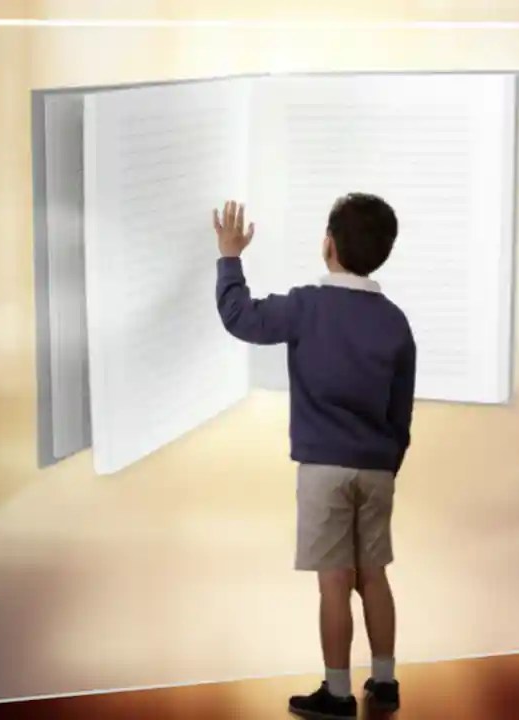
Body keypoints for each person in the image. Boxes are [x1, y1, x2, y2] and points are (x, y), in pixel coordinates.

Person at [212, 194, 416, 719]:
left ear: (328, 244)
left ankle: (338, 692)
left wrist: (230, 257)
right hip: (378, 468)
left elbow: (240, 317)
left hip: (324, 469)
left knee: (335, 582)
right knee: (374, 574)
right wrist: (387, 461)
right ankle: (386, 682)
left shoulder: (306, 306)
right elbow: (401, 410)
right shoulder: (396, 322)